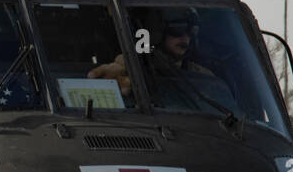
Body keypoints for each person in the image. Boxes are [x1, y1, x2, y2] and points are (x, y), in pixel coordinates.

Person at [87, 8, 216, 102]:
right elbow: (120, 66)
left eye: (192, 31)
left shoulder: (202, 76)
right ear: (157, 33)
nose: (185, 38)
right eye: (178, 30)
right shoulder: (134, 65)